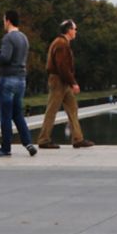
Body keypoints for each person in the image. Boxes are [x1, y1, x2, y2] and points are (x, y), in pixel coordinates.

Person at [37, 19, 93, 149]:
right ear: (69, 30)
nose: (76, 31)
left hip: (62, 80)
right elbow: (62, 67)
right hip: (59, 81)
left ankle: (78, 139)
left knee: (73, 108)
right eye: (75, 29)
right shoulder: (61, 44)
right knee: (52, 110)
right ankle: (44, 140)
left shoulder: (62, 43)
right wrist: (73, 83)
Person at [0, 10, 35, 157]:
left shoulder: (8, 38)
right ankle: (28, 143)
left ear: (8, 21)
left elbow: (5, 58)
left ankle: (6, 147)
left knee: (5, 116)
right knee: (17, 114)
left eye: (4, 20)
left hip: (8, 79)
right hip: (21, 79)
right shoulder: (24, 38)